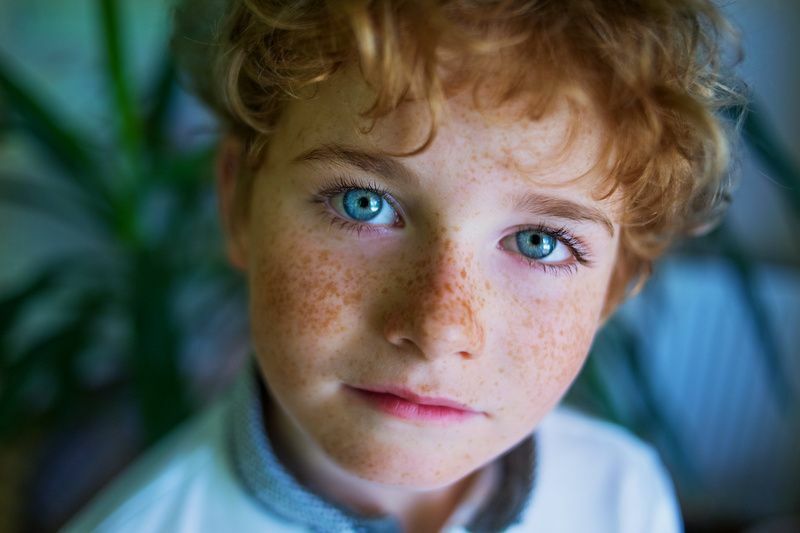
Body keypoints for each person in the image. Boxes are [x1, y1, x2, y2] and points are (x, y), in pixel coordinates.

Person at [65, 1, 744, 531]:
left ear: (617, 284)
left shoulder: (624, 495)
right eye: (364, 204)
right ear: (239, 199)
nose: (440, 326)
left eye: (540, 241)